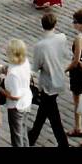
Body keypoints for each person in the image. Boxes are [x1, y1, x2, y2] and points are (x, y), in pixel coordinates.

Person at [28, 13, 71, 147]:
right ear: (55, 24)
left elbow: (35, 67)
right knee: (46, 112)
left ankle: (61, 142)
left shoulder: (40, 46)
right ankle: (33, 136)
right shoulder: (61, 38)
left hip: (48, 83)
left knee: (51, 115)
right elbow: (66, 54)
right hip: (59, 78)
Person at [3, 39, 33, 147]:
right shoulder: (25, 62)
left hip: (17, 107)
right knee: (23, 132)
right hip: (26, 101)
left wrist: (2, 91)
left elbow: (15, 96)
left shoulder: (13, 74)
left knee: (16, 136)